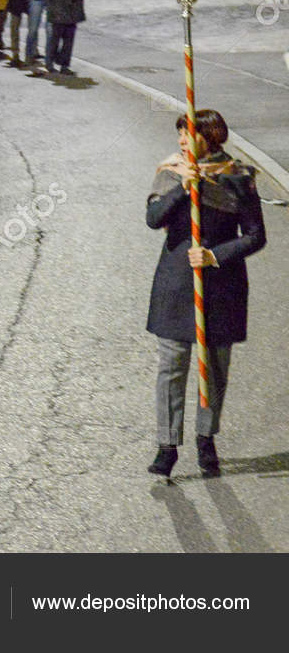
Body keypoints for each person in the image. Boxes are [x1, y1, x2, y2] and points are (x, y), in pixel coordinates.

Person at [143, 110, 265, 477]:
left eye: (187, 134)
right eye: (180, 134)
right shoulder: (171, 171)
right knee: (172, 366)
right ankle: (167, 446)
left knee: (213, 369)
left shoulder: (238, 177)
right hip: (176, 283)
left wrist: (214, 256)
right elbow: (153, 219)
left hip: (223, 284)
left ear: (209, 138)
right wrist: (184, 188)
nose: (181, 141)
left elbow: (256, 236)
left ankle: (205, 438)